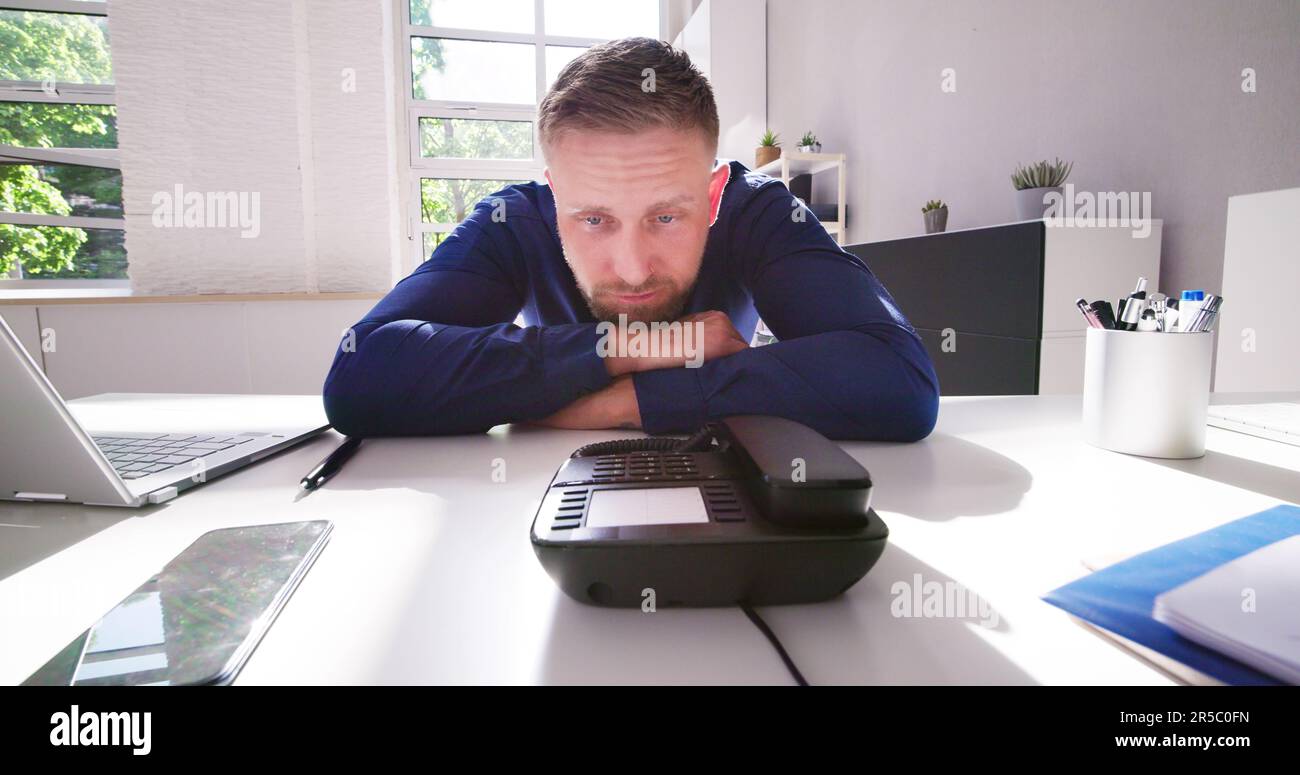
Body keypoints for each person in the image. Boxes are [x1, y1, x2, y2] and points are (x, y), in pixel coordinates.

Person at [323, 37, 938, 441]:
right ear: (554, 198)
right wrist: (634, 346)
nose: (634, 267)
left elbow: (899, 380)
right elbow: (360, 373)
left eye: (667, 217)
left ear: (715, 195)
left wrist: (618, 402)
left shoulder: (758, 211)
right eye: (593, 220)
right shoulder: (513, 220)